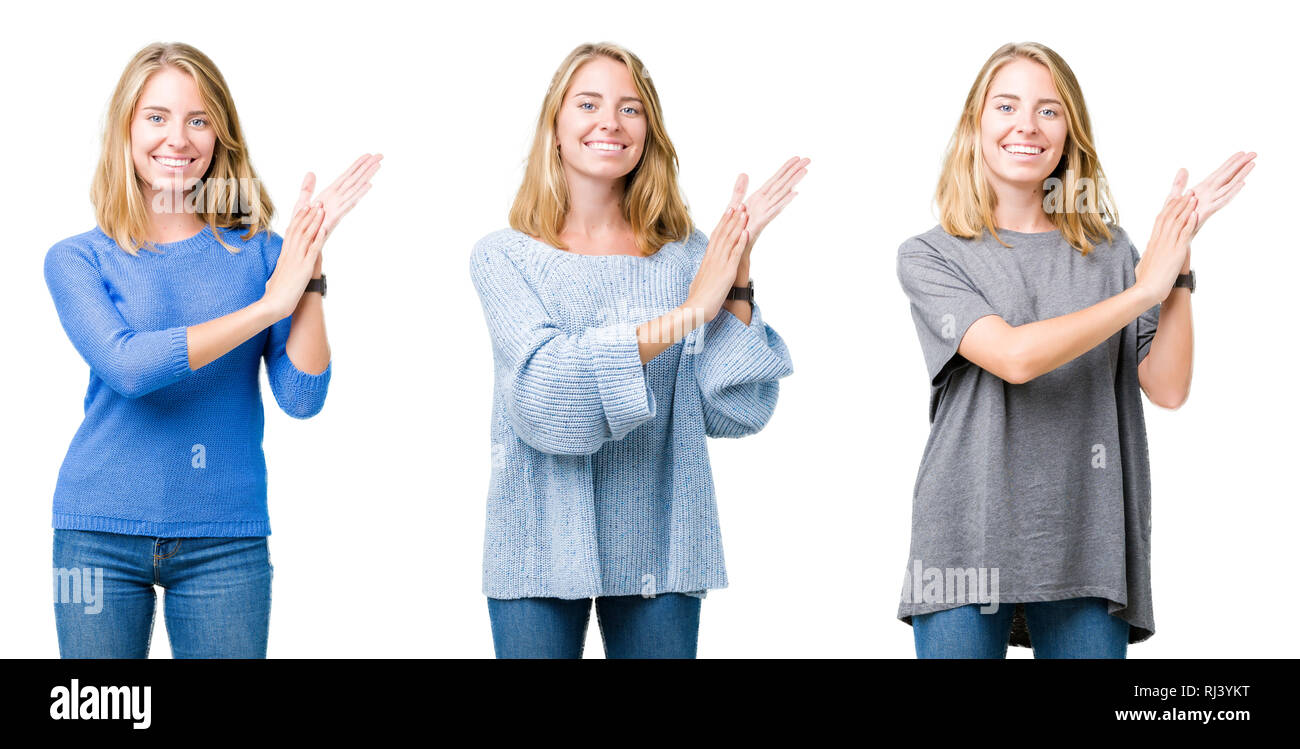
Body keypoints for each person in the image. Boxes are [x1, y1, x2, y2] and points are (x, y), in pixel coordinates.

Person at [895, 41, 1253, 658]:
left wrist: (1179, 274)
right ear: (975, 125)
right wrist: (1145, 286)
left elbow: (1167, 388)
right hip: (965, 538)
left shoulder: (1112, 253)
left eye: (1048, 111)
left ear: (1071, 133)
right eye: (1005, 106)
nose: (1026, 126)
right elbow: (1013, 357)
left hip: (1087, 539)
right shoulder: (932, 254)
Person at [469, 42, 807, 658]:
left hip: (663, 540)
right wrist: (686, 316)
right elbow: (547, 401)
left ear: (648, 132)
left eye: (630, 108)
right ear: (556, 126)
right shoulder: (505, 256)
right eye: (589, 103)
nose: (610, 122)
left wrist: (735, 273)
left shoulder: (687, 257)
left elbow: (737, 411)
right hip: (537, 541)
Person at [44, 41, 381, 658]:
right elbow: (128, 366)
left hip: (226, 541)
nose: (178, 138)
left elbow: (303, 397)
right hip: (95, 533)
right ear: (126, 127)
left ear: (220, 136)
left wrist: (307, 270)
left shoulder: (262, 255)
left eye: (198, 120)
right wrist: (266, 307)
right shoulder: (76, 259)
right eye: (157, 117)